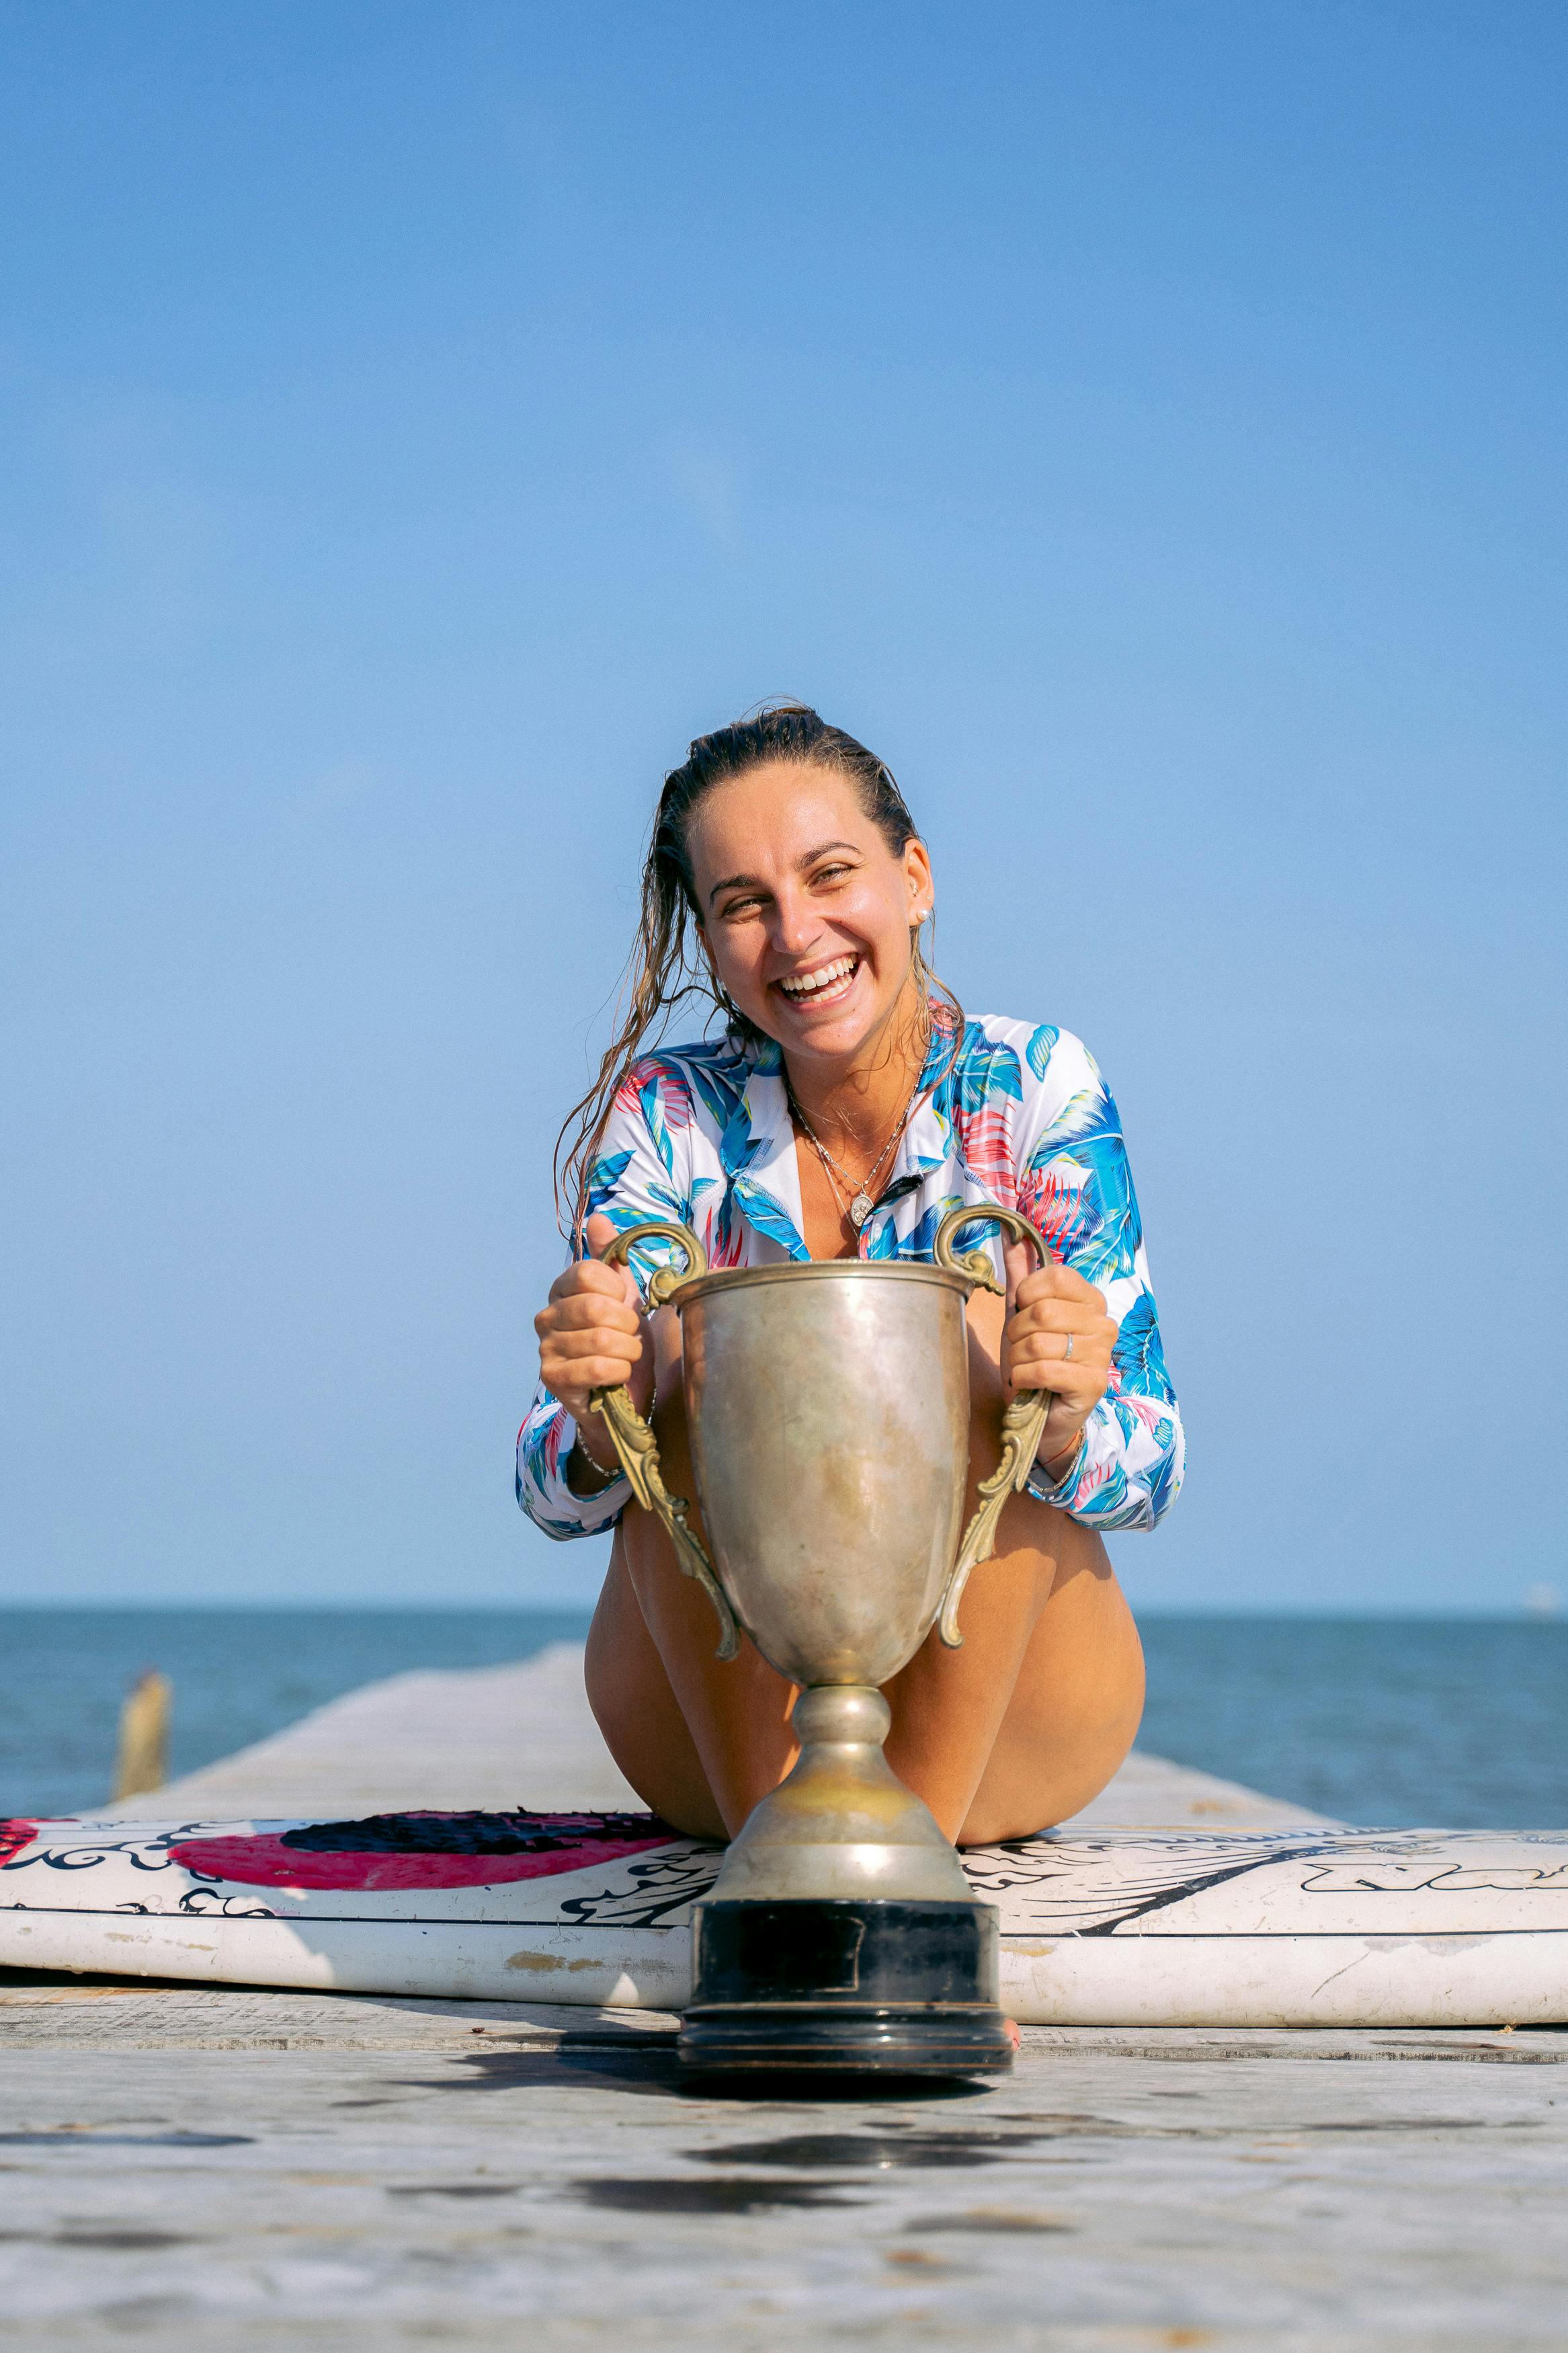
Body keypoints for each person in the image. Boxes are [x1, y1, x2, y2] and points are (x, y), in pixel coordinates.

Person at [519, 705, 1182, 1847]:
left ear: (912, 877)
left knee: (964, 1323)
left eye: (830, 875)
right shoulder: (667, 1113)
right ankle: (798, 1873)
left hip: (1005, 1727)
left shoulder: (1036, 1084)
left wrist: (1068, 1417)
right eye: (743, 905)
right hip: (731, 1737)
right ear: (712, 943)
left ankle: (881, 1876)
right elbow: (550, 1492)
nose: (795, 934)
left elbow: (1153, 1466)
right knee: (684, 1347)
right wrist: (595, 1409)